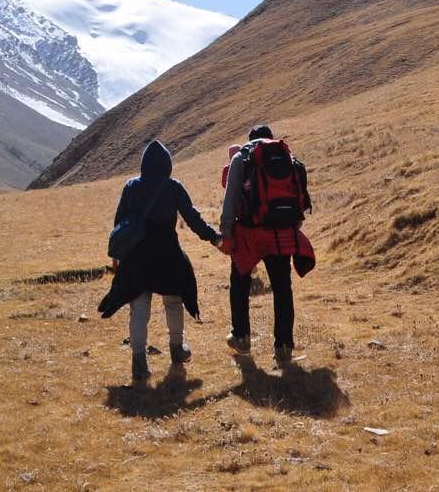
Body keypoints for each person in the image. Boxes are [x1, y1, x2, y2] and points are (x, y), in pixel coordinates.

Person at [97, 140, 223, 382]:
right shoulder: (173, 186)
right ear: (167, 164)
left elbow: (119, 224)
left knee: (139, 309)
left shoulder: (131, 186)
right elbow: (193, 218)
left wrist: (116, 258)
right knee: (174, 301)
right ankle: (177, 349)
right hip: (168, 255)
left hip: (136, 258)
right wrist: (215, 239)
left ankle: (139, 363)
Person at [218, 124, 315, 366]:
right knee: (282, 287)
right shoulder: (286, 157)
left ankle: (241, 337)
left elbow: (230, 198)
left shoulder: (243, 157)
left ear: (250, 140)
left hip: (250, 234)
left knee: (239, 281)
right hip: (281, 232)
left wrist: (226, 232)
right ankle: (284, 347)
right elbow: (299, 195)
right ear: (269, 139)